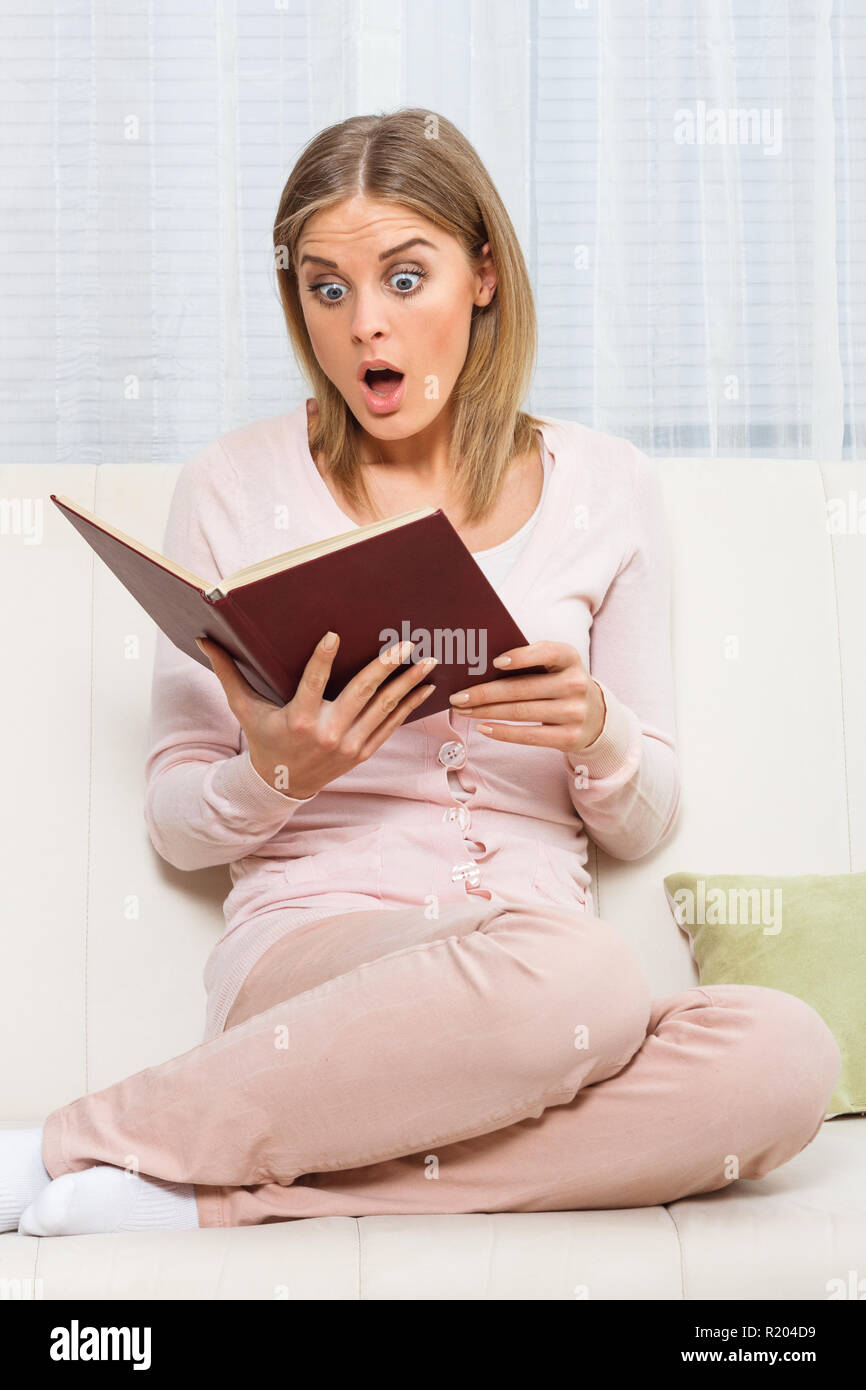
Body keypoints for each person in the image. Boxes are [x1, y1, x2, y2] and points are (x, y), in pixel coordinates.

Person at [5, 109, 840, 1238]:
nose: (364, 325)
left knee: (782, 1055)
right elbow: (175, 820)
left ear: (484, 272)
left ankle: (201, 1194)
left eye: (405, 277)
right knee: (580, 977)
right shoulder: (229, 486)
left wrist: (597, 734)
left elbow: (645, 820)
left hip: (534, 994)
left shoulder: (605, 487)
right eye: (326, 288)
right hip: (321, 970)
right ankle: (74, 1141)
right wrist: (275, 774)